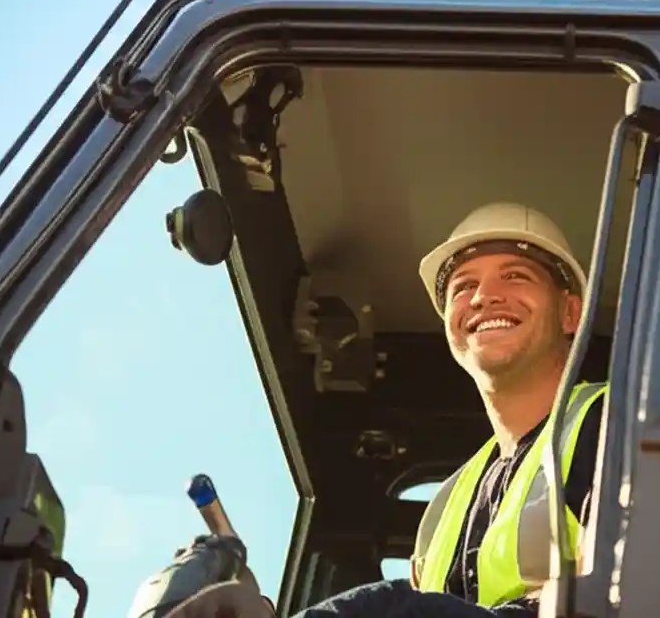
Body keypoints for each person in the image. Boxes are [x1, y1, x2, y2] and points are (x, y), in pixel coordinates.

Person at [169, 202, 606, 618]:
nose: (483, 296)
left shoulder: (613, 427)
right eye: (464, 285)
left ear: (571, 312)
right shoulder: (446, 507)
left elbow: (627, 589)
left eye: (515, 275)